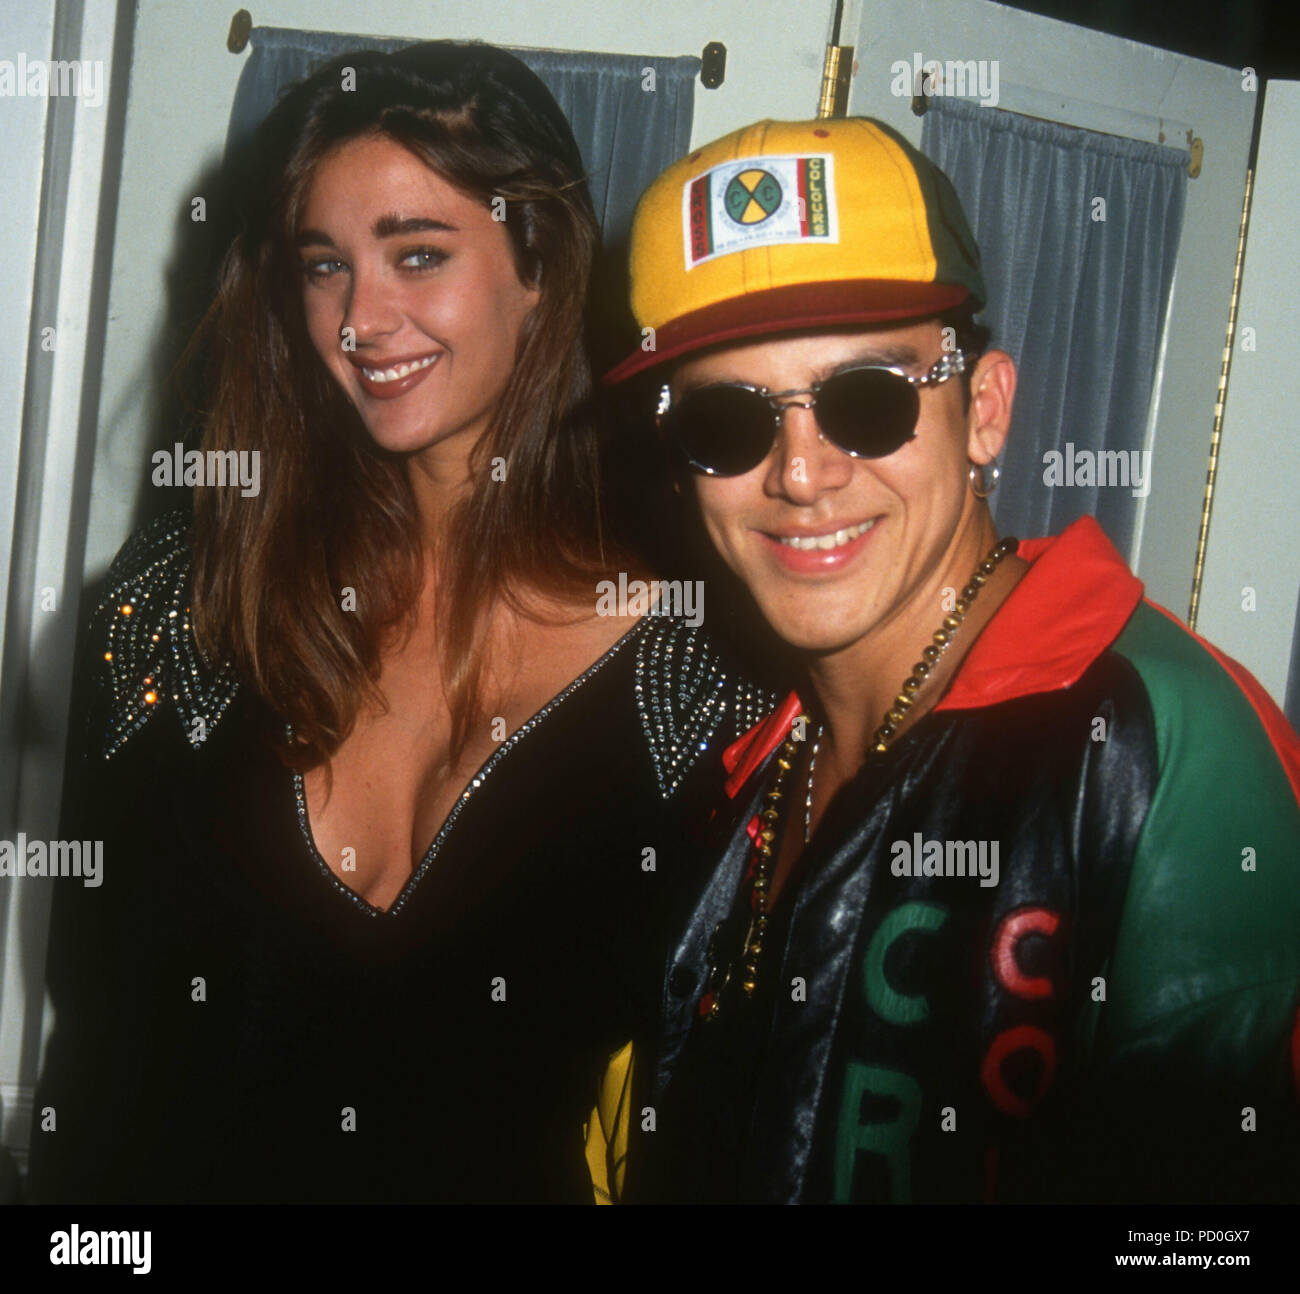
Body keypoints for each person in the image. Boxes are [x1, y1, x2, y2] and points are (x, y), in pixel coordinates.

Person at [27, 42, 771, 1205]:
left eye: (417, 255)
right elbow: (96, 1037)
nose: (362, 319)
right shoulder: (183, 605)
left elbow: (727, 1104)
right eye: (324, 267)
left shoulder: (693, 680)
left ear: (540, 266)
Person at [603, 116, 1300, 1204]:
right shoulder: (729, 756)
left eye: (866, 400)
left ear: (983, 410)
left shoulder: (1159, 747)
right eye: (728, 421)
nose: (799, 473)